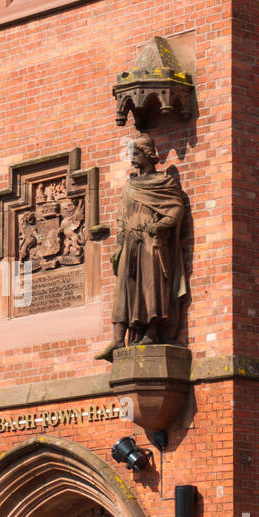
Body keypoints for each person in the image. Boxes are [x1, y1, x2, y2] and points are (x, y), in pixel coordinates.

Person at [95, 134, 188, 359]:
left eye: (136, 153)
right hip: (129, 244)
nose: (132, 158)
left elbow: (176, 209)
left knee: (150, 288)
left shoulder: (163, 183)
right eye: (131, 153)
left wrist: (159, 226)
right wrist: (118, 246)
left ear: (147, 155)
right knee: (124, 291)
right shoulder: (130, 185)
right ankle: (118, 340)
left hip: (151, 244)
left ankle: (152, 332)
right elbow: (121, 217)